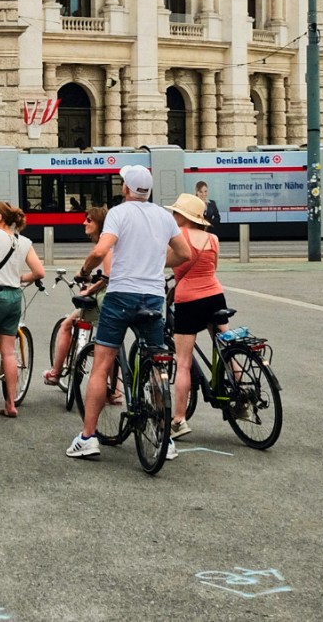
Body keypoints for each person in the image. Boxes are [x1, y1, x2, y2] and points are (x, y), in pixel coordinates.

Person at [66, 165, 191, 462]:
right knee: (156, 364)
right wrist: (157, 262)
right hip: (153, 297)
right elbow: (184, 253)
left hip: (121, 295)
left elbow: (100, 251)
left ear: (125, 189)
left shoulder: (118, 213)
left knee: (102, 364)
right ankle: (164, 439)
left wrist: (84, 270)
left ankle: (88, 438)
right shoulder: (163, 216)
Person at [0, 202, 44, 416]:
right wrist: (19, 278)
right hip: (14, 297)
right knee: (8, 352)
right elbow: (39, 272)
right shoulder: (24, 241)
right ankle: (11, 404)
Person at [166, 191, 224, 437]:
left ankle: (179, 420)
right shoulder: (213, 239)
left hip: (189, 301)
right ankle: (241, 396)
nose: (173, 215)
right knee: (226, 346)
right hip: (215, 296)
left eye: (176, 212)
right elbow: (212, 268)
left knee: (183, 363)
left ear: (184, 216)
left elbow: (166, 262)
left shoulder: (179, 237)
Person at [45, 206, 109, 386]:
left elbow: (107, 277)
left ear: (99, 223)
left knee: (66, 325)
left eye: (89, 220)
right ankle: (115, 391)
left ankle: (55, 372)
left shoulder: (103, 246)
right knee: (110, 345)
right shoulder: (109, 243)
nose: (84, 223)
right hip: (113, 297)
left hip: (103, 299)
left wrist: (89, 289)